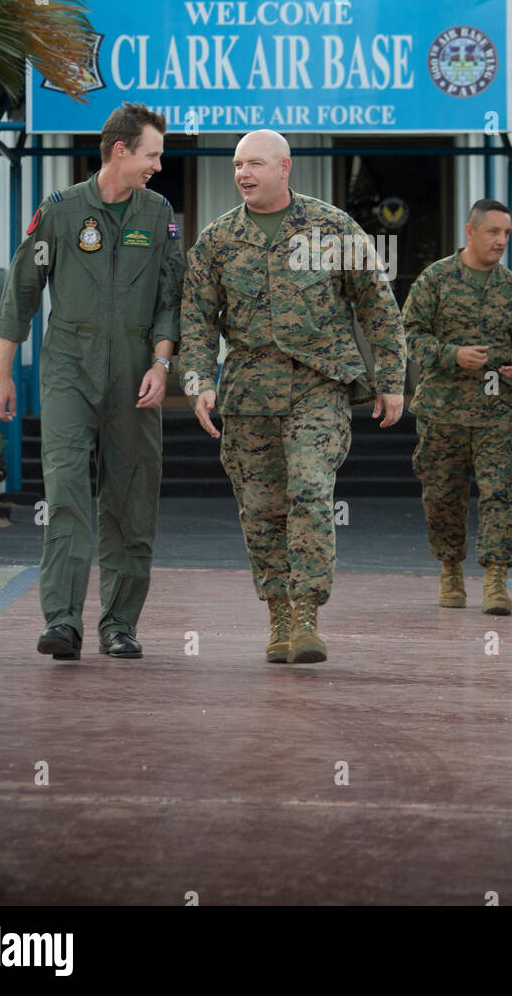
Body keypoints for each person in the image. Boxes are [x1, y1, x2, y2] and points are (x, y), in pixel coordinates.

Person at [180, 129, 406, 665]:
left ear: (285, 167)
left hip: (317, 385)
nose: (244, 174)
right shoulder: (216, 240)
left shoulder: (332, 228)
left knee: (309, 488)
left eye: (255, 163)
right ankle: (277, 613)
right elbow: (195, 320)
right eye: (237, 164)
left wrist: (392, 380)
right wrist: (198, 383)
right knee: (260, 509)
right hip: (248, 389)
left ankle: (307, 612)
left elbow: (377, 305)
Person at [0, 102, 186, 660]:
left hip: (135, 372)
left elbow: (172, 298)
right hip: (69, 370)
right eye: (152, 154)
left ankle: (119, 624)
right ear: (120, 150)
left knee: (132, 497)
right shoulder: (60, 211)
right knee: (68, 495)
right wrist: (3, 375)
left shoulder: (159, 214)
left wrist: (162, 363)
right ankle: (63, 621)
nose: (158, 165)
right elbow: (22, 293)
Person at [401, 200, 512, 615]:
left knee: (498, 493)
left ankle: (496, 579)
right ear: (470, 232)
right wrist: (451, 354)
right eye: (494, 232)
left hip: (496, 410)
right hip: (443, 411)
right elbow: (409, 334)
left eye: (507, 233)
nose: (501, 241)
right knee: (443, 496)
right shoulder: (436, 279)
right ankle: (450, 569)